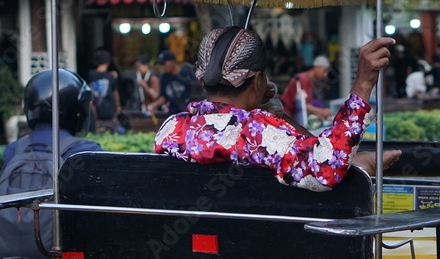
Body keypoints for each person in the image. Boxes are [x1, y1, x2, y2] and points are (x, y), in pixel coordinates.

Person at [155, 26, 401, 192]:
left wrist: (277, 115)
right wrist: (363, 84)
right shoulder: (258, 131)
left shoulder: (172, 128)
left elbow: (308, 151)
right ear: (259, 79)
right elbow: (325, 169)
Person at [0, 69, 101, 259]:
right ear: (76, 109)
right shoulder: (86, 151)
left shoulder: (14, 150)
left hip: (8, 256)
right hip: (65, 257)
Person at [282, 55, 333, 123]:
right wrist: (322, 112)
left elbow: (307, 104)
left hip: (293, 115)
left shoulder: (310, 80)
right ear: (316, 67)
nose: (325, 74)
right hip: (287, 115)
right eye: (324, 71)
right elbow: (302, 105)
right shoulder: (303, 79)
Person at [146, 50, 194, 115]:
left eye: (164, 64)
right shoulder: (164, 77)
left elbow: (196, 91)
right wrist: (154, 105)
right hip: (174, 112)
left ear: (173, 62)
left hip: (190, 111)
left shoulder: (187, 73)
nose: (163, 67)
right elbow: (164, 96)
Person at [87, 49, 121, 132]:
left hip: (95, 112)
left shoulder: (90, 74)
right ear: (108, 61)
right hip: (109, 111)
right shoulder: (110, 76)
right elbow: (115, 93)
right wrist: (118, 106)